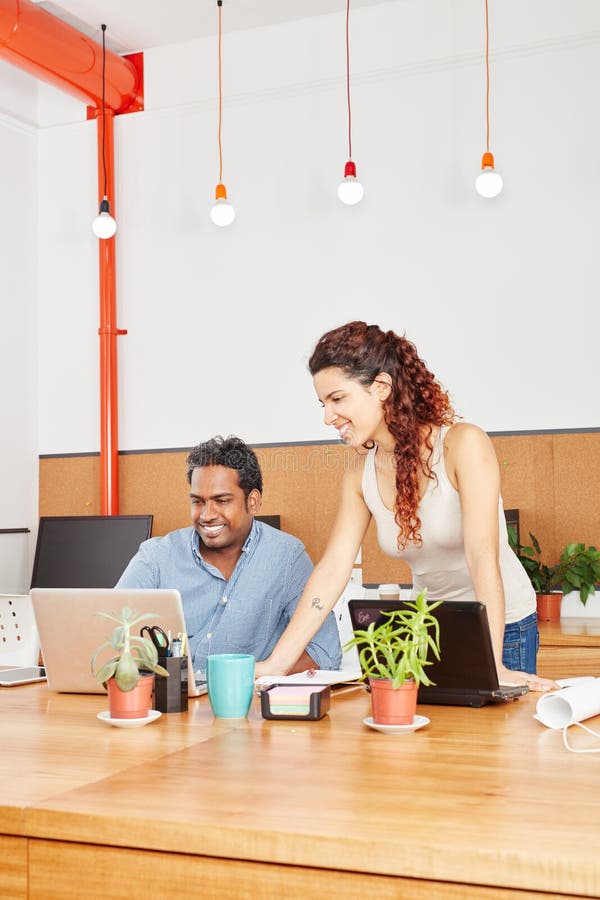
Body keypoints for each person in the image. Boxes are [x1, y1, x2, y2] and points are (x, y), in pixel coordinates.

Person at [255, 321, 556, 691]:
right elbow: (333, 569)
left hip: (502, 627)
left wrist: (492, 664)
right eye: (322, 403)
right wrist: (276, 664)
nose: (327, 417)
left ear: (381, 387)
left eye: (337, 399)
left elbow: (482, 556)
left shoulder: (463, 445)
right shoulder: (359, 474)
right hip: (428, 628)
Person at [116, 435, 341, 675]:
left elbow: (323, 652)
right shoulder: (155, 557)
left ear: (252, 502)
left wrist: (244, 679)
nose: (207, 515)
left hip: (245, 705)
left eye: (221, 501)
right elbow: (109, 631)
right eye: (198, 502)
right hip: (168, 702)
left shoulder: (287, 558)